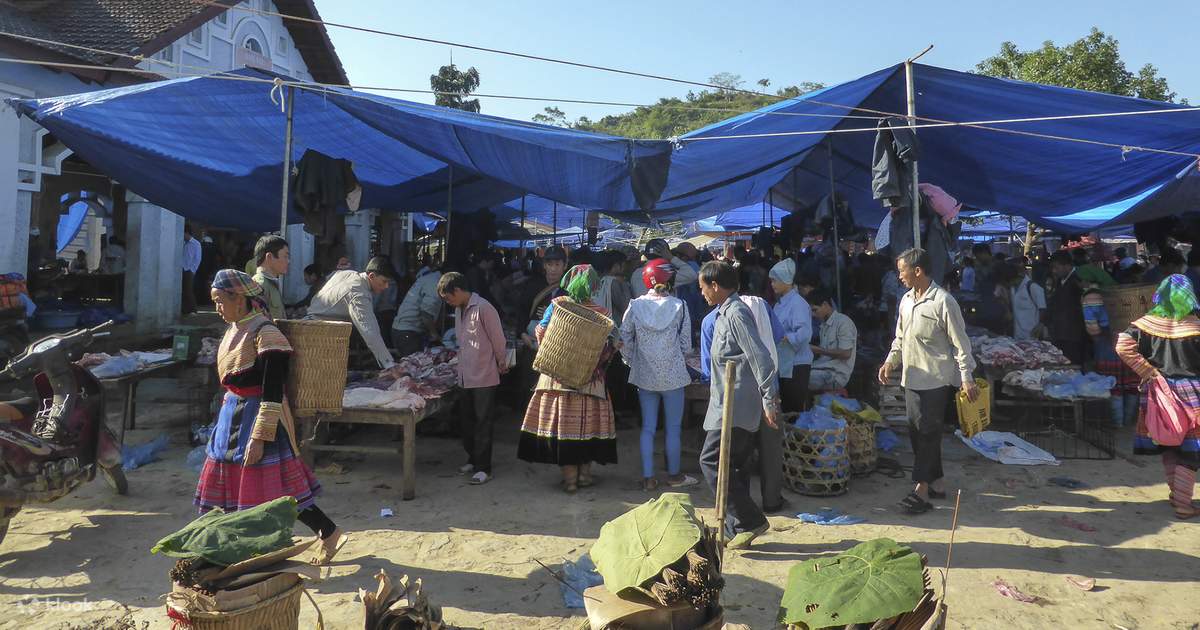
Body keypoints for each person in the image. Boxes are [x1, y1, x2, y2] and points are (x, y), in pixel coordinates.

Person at [195, 270, 346, 564]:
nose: (217, 308)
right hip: (232, 415)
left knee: (282, 490)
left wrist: (259, 437)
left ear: (239, 299)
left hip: (260, 418)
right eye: (214, 302)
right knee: (231, 484)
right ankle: (229, 549)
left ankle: (329, 533)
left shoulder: (267, 334)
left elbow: (273, 391)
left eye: (220, 301)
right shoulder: (235, 329)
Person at [878, 248, 977, 516]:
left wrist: (966, 377)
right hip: (912, 377)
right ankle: (937, 482)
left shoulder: (944, 301)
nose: (899, 276)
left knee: (929, 433)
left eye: (902, 271)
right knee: (916, 431)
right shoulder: (906, 300)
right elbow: (900, 338)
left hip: (937, 379)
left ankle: (921, 489)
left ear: (918, 271)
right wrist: (890, 362)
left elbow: (961, 343)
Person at [697, 261, 780, 549]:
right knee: (734, 466)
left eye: (703, 287)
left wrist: (769, 399)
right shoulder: (723, 313)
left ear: (715, 285)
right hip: (726, 401)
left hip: (736, 404)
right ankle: (736, 528)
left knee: (710, 461)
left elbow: (760, 357)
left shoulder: (736, 313)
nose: (702, 293)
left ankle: (750, 521)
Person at [518, 264, 618, 493]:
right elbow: (611, 344)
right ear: (594, 286)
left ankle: (570, 481)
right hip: (591, 382)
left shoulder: (557, 305)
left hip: (558, 380)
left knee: (564, 430)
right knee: (589, 429)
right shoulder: (603, 313)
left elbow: (541, 332)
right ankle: (585, 476)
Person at [1116, 274, 1200, 519]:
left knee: (1169, 443)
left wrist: (1148, 371)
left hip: (1158, 391)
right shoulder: (1196, 326)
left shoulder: (1145, 324)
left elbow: (1122, 346)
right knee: (1191, 449)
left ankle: (1177, 494)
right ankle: (1183, 504)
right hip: (1193, 394)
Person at [620, 258, 698, 491]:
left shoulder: (635, 306)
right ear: (670, 280)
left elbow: (624, 339)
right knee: (673, 429)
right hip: (674, 377)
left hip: (645, 376)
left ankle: (648, 478)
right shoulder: (680, 306)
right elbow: (686, 346)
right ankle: (674, 476)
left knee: (648, 428)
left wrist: (631, 360)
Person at [438, 272, 508, 485]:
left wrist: (502, 361)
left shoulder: (484, 308)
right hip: (465, 375)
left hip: (484, 375)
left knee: (483, 422)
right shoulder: (459, 309)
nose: (448, 302)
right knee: (466, 421)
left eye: (448, 297)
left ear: (458, 291)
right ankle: (472, 459)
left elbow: (498, 339)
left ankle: (483, 468)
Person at [307, 257, 398, 371]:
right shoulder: (358, 293)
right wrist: (389, 364)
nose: (386, 286)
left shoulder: (348, 273)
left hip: (314, 327)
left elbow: (330, 277)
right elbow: (369, 330)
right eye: (384, 281)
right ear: (371, 276)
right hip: (316, 336)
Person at [768, 258, 812, 413]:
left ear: (785, 280)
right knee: (786, 408)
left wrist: (786, 337)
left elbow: (805, 333)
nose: (772, 284)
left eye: (774, 280)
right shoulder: (780, 304)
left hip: (797, 365)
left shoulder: (798, 303)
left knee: (794, 410)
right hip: (785, 363)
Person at [809, 288, 858, 392]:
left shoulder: (843, 322)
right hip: (822, 368)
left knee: (801, 379)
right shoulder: (823, 325)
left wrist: (817, 350)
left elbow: (846, 354)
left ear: (825, 304)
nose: (813, 314)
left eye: (815, 310)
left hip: (836, 375)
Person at [392, 262, 443, 358]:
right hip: (407, 333)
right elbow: (426, 314)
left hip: (402, 330)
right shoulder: (435, 283)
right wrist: (435, 335)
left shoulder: (429, 278)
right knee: (414, 365)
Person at [1046, 251, 1089, 365]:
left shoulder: (1078, 280)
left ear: (1067, 265)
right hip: (1061, 333)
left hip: (1074, 335)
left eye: (1056, 267)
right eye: (1052, 268)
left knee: (1074, 365)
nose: (1054, 271)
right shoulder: (1059, 281)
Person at [630, 239, 698, 299]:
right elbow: (692, 275)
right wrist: (671, 257)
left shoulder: (635, 273)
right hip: (666, 308)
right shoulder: (664, 270)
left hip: (642, 308)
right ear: (665, 254)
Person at [251, 235, 289, 320]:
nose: (288, 261)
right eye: (285, 256)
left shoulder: (270, 283)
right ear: (269, 257)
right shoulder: (259, 285)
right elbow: (256, 322)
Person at [1009, 261, 1047, 340]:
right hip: (1017, 335)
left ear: (1018, 276)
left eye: (1010, 280)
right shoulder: (1012, 288)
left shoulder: (1033, 287)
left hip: (1032, 335)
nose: (1009, 283)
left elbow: (1043, 308)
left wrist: (1040, 324)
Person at [182, 225, 201, 314]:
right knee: (183, 290)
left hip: (189, 270)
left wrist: (192, 270)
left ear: (187, 233)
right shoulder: (183, 243)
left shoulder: (196, 244)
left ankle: (193, 309)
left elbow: (197, 259)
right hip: (181, 269)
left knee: (188, 290)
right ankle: (185, 310)